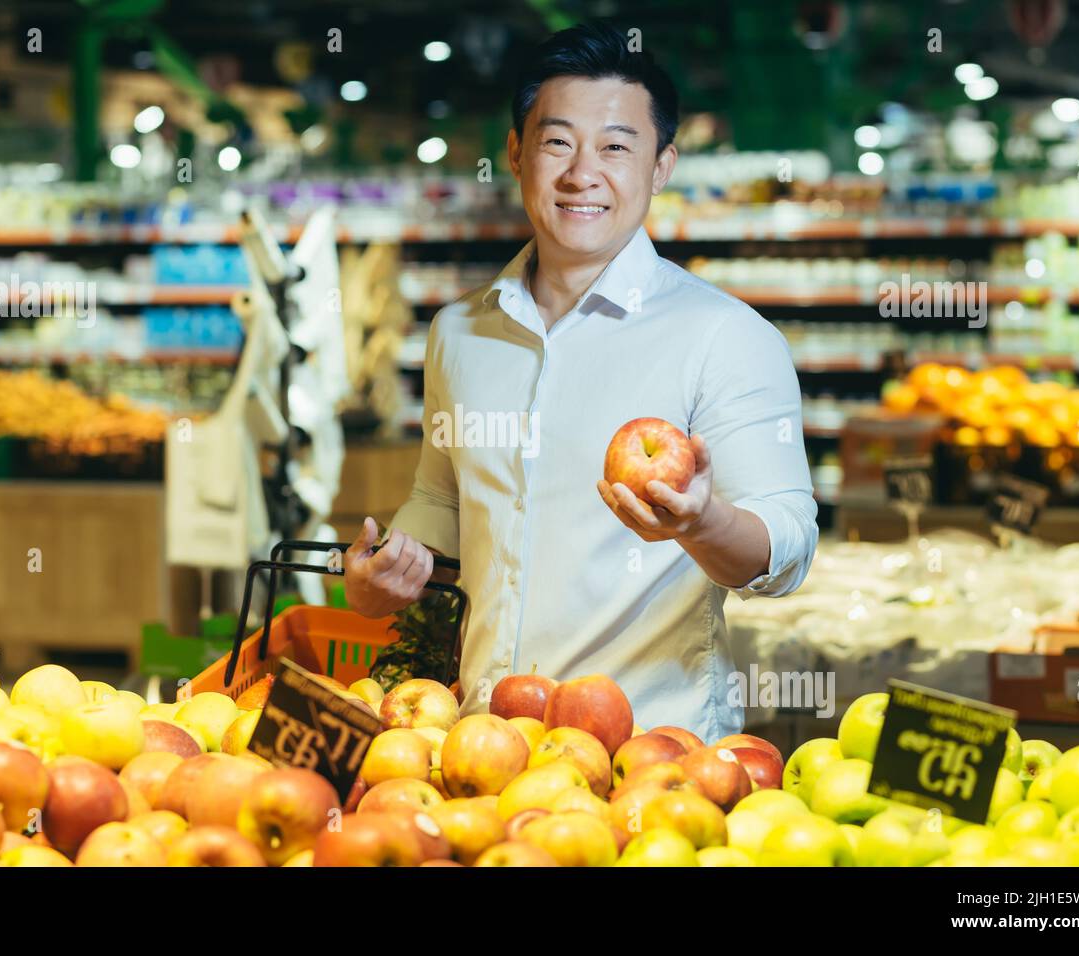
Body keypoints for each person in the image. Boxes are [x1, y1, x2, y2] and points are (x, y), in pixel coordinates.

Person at [343, 21, 817, 740]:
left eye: (617, 147)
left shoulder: (725, 337)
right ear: (516, 153)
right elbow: (441, 499)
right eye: (557, 142)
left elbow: (787, 546)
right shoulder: (460, 332)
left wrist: (702, 523)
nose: (581, 173)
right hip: (485, 741)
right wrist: (380, 577)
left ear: (661, 167)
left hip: (652, 756)